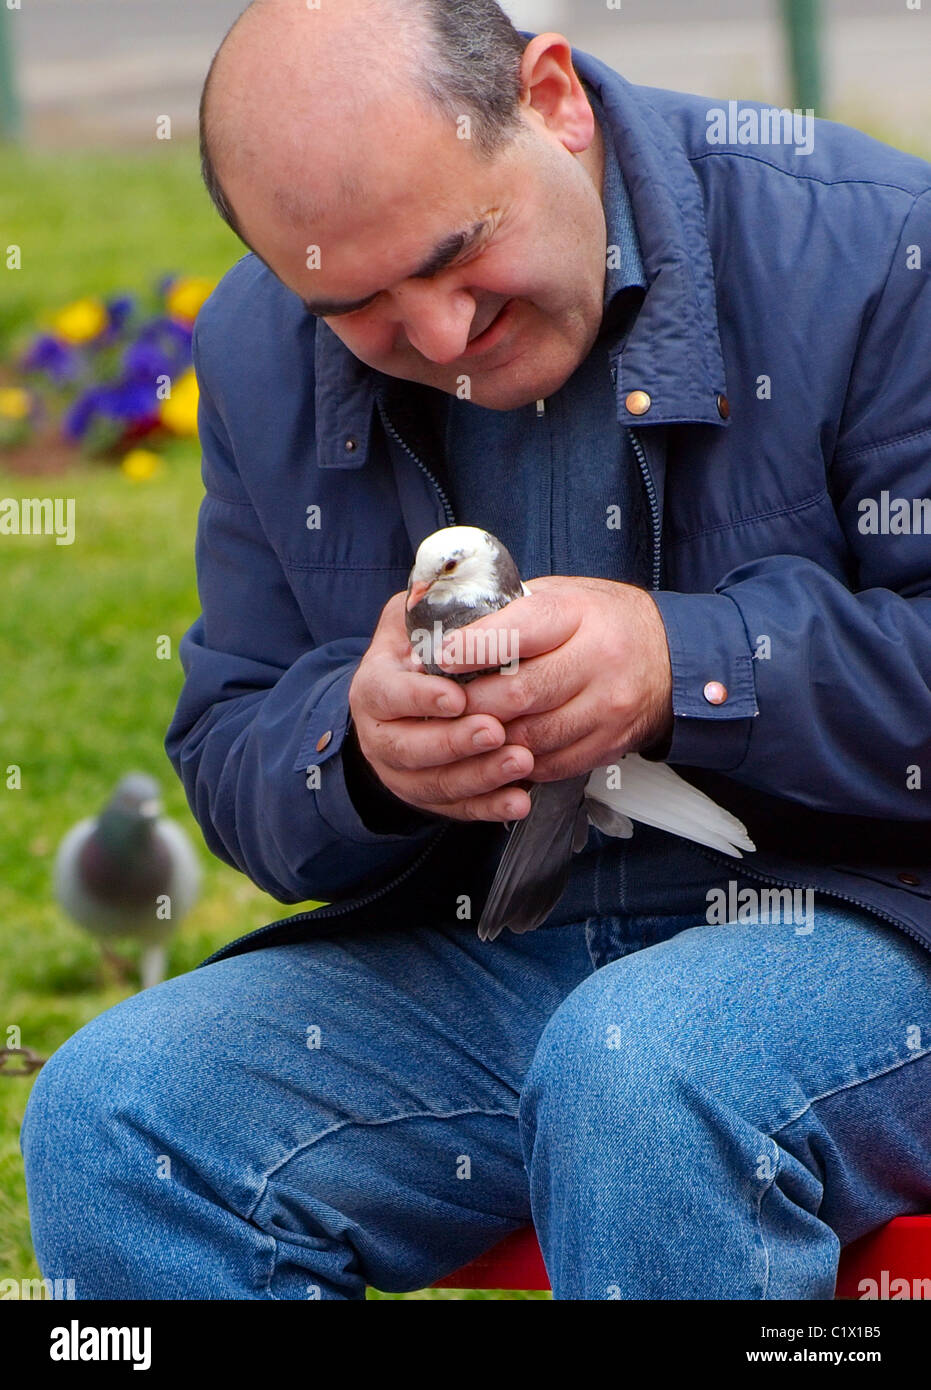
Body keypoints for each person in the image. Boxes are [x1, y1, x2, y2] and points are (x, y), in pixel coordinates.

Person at [22, 0, 931, 1300]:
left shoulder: (875, 243)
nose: (440, 338)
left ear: (552, 99)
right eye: (359, 303)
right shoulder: (257, 345)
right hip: (498, 948)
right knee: (118, 1112)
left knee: (641, 1067)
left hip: (874, 924)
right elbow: (229, 739)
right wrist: (362, 751)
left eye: (459, 254)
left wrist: (691, 666)